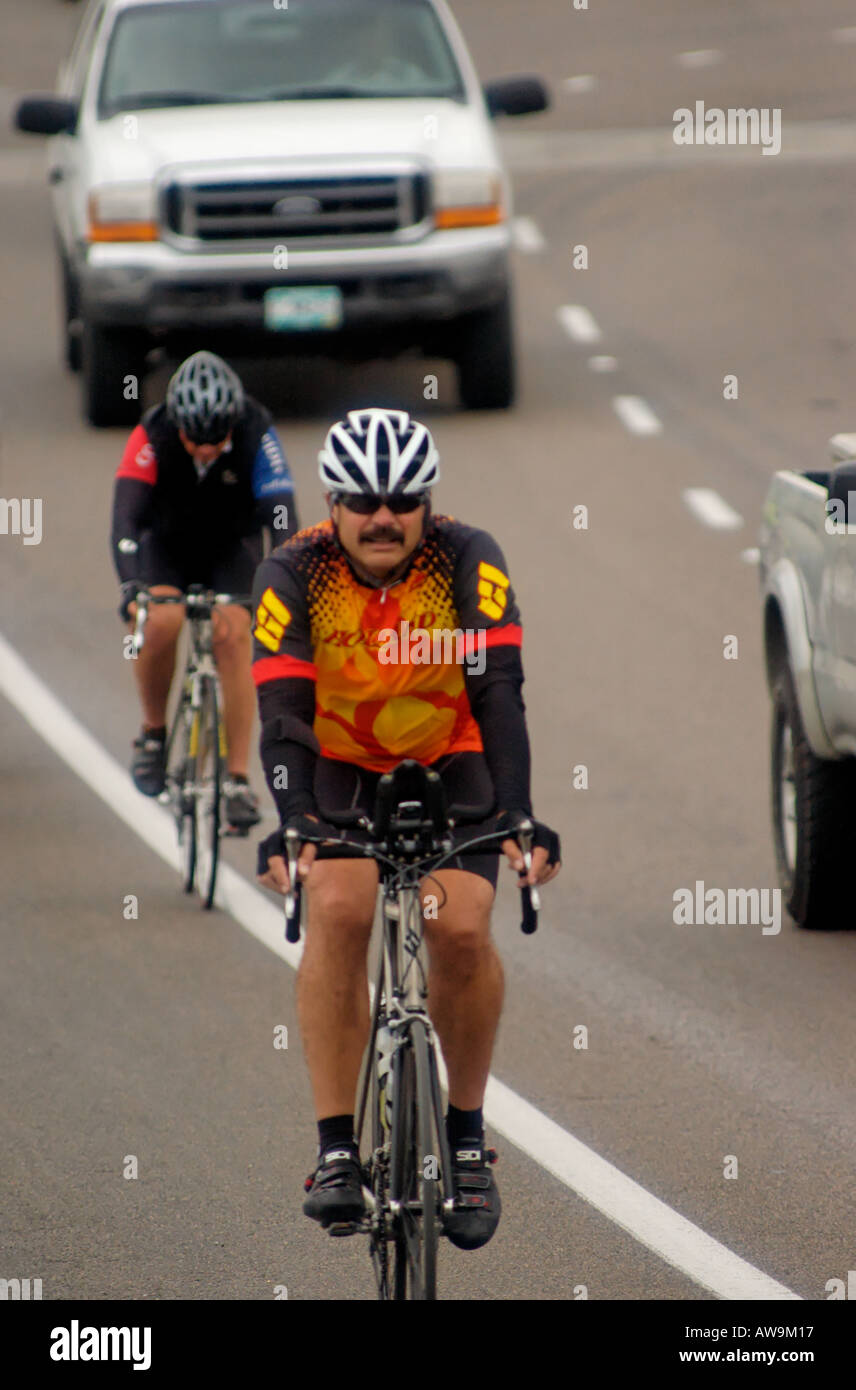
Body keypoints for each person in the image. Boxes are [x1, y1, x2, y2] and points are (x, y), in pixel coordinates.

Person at [254, 407, 560, 1250]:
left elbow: (498, 690)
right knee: (343, 912)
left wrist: (517, 811)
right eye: (361, 500)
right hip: (338, 763)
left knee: (459, 926)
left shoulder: (466, 558)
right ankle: (336, 1152)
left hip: (448, 753)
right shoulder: (293, 571)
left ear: (427, 502)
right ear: (333, 502)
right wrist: (293, 824)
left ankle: (466, 1143)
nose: (381, 516)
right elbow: (282, 712)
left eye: (401, 499)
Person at [111, 350, 299, 830]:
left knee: (235, 633)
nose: (206, 452)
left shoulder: (258, 430)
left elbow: (282, 518)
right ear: (179, 426)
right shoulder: (151, 432)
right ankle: (153, 733)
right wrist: (133, 584)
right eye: (196, 441)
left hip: (230, 549)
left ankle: (236, 778)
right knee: (160, 620)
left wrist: (283, 583)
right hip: (166, 548)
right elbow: (126, 519)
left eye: (218, 441)